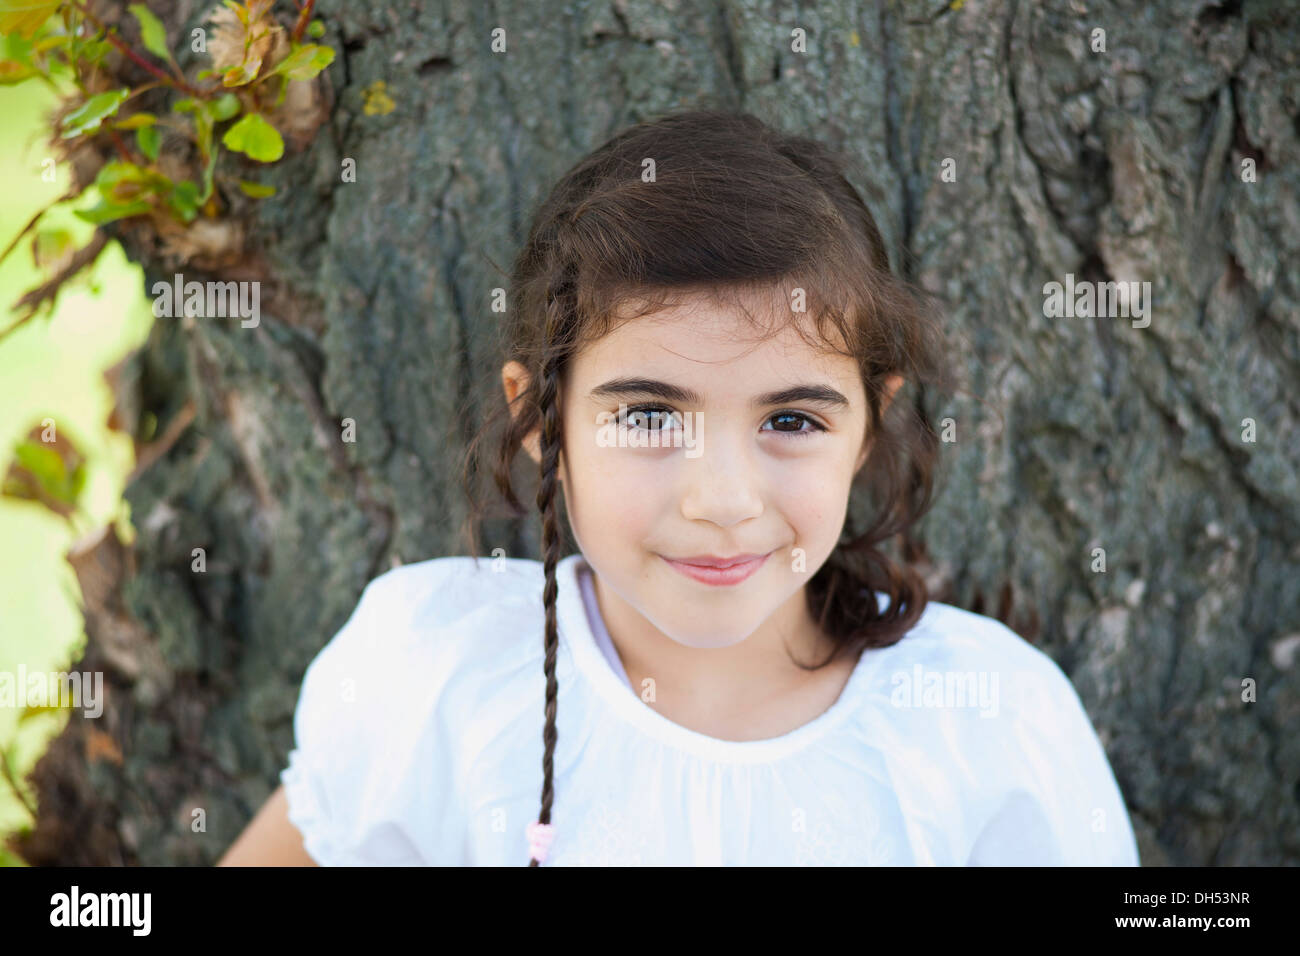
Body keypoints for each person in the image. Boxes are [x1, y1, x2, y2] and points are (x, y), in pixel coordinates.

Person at [218, 109, 1139, 867]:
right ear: (542, 419)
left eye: (792, 421)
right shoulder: (431, 675)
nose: (723, 499)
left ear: (867, 427)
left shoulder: (991, 724)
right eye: (652, 417)